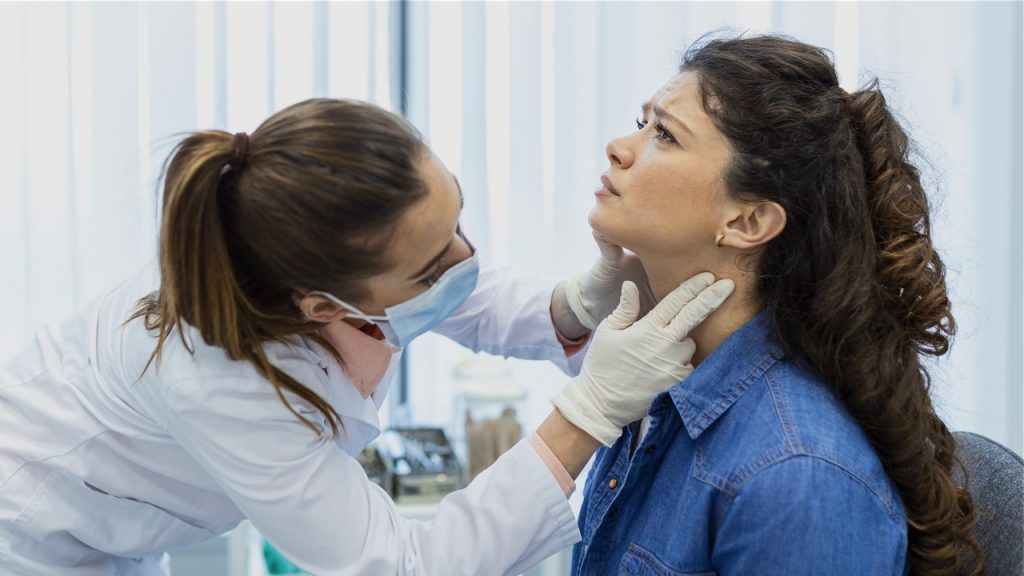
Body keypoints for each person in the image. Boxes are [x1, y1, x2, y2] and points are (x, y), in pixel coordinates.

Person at [0, 98, 735, 575]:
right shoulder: (214, 378)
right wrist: (587, 415)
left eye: (457, 223)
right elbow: (399, 568)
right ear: (322, 305)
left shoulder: (336, 239)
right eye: (433, 262)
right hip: (40, 540)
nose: (466, 262)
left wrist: (573, 306)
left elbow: (456, 297)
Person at [571, 34, 983, 576]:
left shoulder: (797, 477)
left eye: (664, 134)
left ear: (748, 222)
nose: (620, 147)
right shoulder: (655, 388)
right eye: (642, 121)